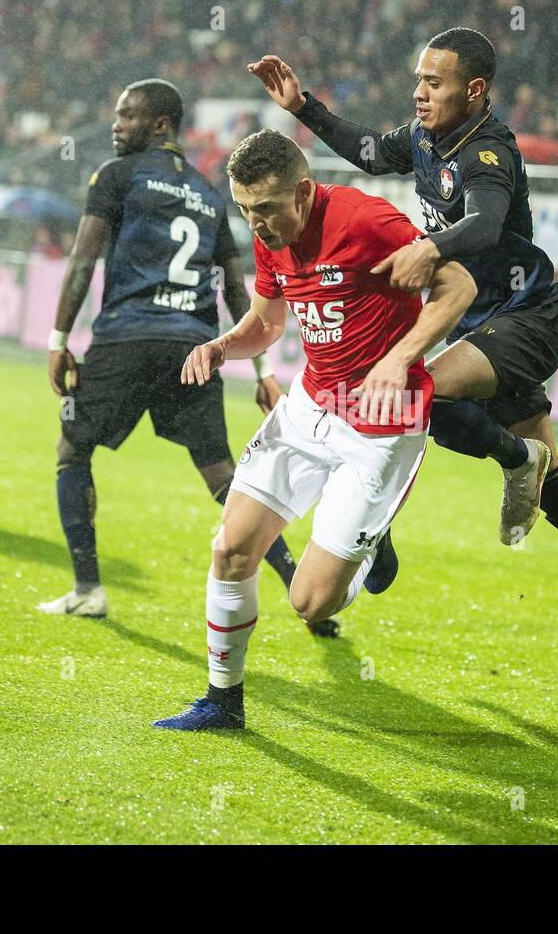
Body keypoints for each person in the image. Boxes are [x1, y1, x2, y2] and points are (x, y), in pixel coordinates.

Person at [249, 29, 558, 663]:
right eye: (419, 79)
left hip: (525, 318)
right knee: (554, 482)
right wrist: (303, 107)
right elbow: (371, 153)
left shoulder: (487, 153)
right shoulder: (429, 138)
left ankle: (408, 515)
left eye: (434, 82)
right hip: (481, 325)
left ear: (473, 89)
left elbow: (483, 224)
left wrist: (429, 247)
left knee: (411, 392)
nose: (419, 91)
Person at [154, 129, 476, 730]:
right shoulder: (269, 234)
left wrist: (398, 357)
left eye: (268, 210)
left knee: (310, 602)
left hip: (382, 424)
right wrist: (222, 347)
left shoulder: (367, 221)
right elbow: (266, 323)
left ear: (303, 191)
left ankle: (367, 548)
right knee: (230, 549)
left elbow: (458, 287)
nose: (258, 225)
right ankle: (223, 703)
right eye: (246, 211)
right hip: (310, 404)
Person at [40, 80, 303, 623]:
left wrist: (59, 339)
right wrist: (260, 367)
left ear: (159, 124)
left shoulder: (117, 176)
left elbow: (84, 261)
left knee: (72, 452)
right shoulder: (210, 192)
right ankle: (298, 582)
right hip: (193, 347)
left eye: (126, 115)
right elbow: (238, 289)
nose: (116, 125)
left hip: (128, 339)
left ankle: (88, 589)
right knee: (220, 474)